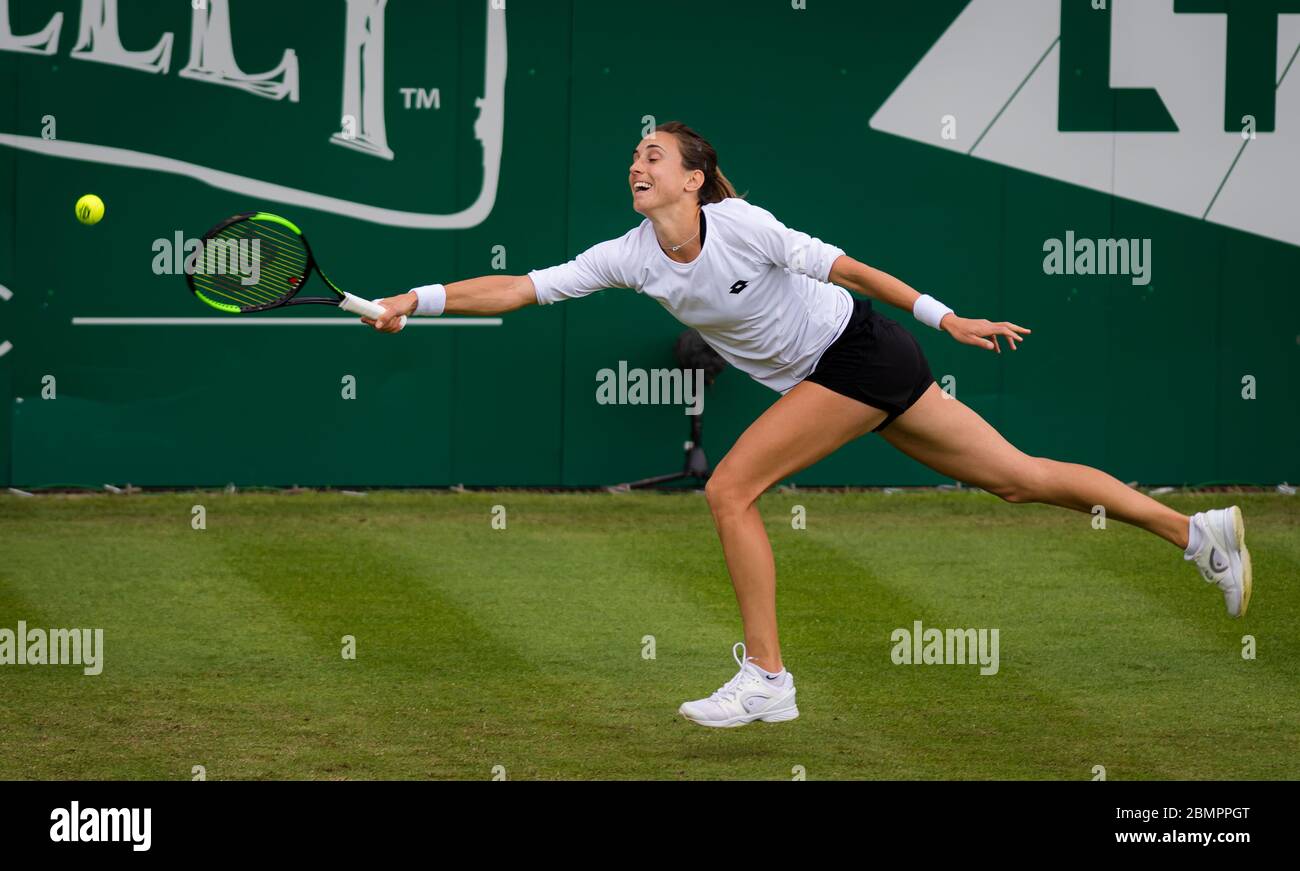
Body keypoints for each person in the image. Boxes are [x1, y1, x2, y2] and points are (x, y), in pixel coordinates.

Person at [363, 121, 1252, 729]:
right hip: (854, 370)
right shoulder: (628, 255)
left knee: (730, 488)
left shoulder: (744, 225)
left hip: (860, 355)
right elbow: (519, 287)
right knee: (1019, 476)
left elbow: (854, 268)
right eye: (634, 156)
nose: (637, 167)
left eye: (654, 156)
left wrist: (950, 320)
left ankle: (768, 680)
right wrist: (416, 299)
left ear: (694, 177)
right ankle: (1196, 534)